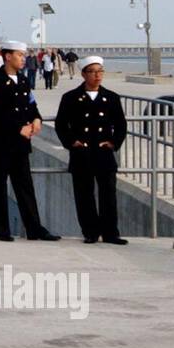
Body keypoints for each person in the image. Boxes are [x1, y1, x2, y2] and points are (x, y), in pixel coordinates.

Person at [0, 41, 58, 242]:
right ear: (8, 56)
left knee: (25, 187)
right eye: (20, 55)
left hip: (21, 144)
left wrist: (36, 118)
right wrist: (19, 128)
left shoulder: (23, 81)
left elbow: (31, 105)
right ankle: (2, 230)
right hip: (2, 142)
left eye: (24, 55)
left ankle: (34, 228)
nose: (24, 59)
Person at [55, 56, 128, 244]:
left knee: (108, 195)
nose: (98, 75)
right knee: (84, 195)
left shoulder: (111, 97)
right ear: (83, 74)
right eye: (93, 71)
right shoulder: (70, 97)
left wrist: (113, 142)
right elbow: (61, 125)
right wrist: (72, 142)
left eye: (100, 71)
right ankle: (90, 232)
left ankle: (111, 233)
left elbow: (120, 124)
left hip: (104, 153)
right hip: (82, 154)